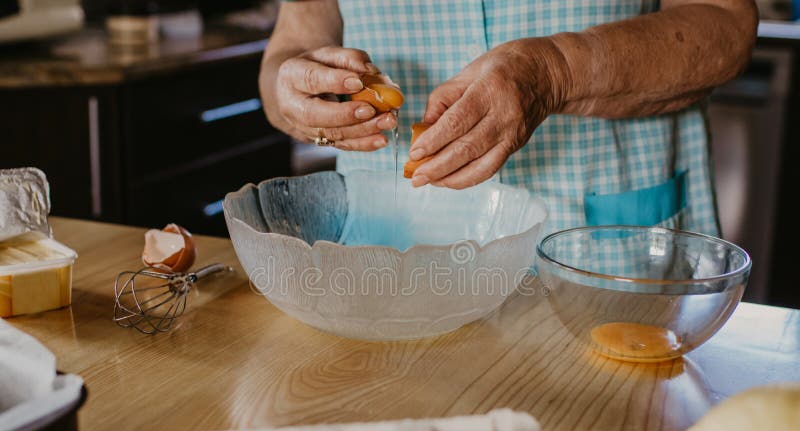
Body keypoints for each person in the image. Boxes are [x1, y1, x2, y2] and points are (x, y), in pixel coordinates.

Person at [259, 0, 757, 235]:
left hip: (603, 254)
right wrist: (293, 90)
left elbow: (726, 25)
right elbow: (294, 41)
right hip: (391, 254)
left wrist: (555, 71)